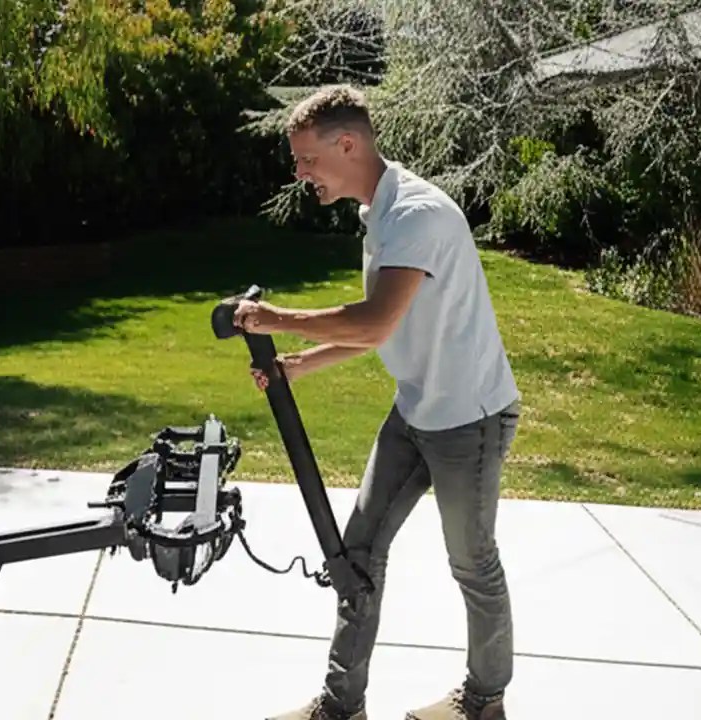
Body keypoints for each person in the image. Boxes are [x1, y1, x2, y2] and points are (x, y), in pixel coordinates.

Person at [235, 85, 521, 720]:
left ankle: (484, 703)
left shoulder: (416, 215)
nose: (299, 172)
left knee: (472, 562)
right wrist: (300, 363)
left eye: (307, 159)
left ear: (348, 144)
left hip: (469, 421)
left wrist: (274, 318)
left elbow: (371, 324)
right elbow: (386, 328)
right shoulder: (380, 215)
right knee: (355, 555)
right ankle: (341, 707)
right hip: (417, 410)